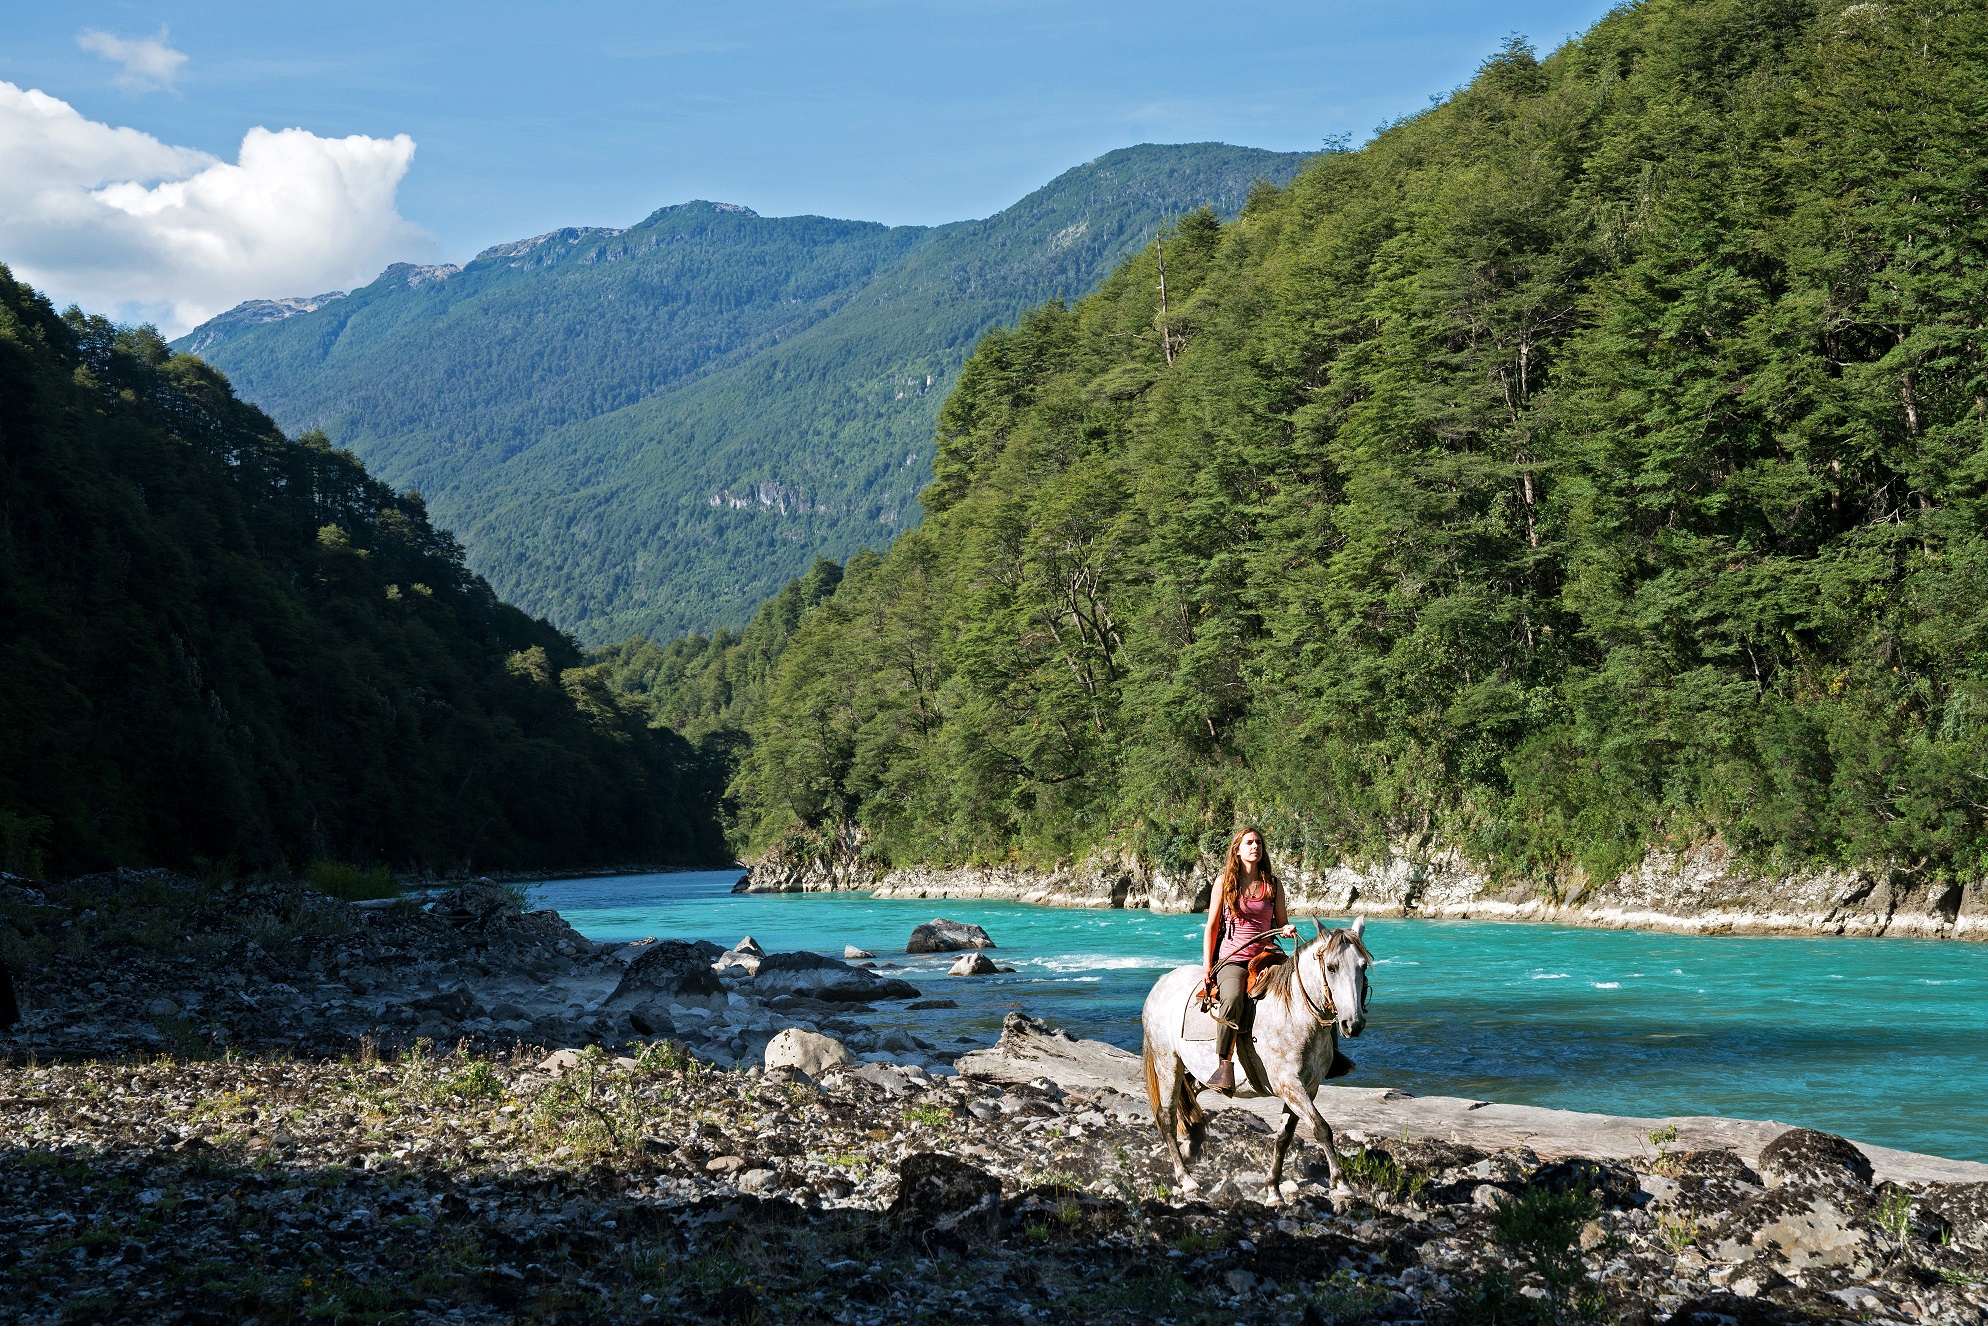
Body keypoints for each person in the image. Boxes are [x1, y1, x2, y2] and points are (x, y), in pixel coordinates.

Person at [1200, 826, 1297, 1092]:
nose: (1255, 847)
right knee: (1231, 997)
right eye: (1249, 843)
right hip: (1233, 958)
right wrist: (1208, 966)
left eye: (1258, 843)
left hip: (1267, 954)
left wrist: (1287, 929)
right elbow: (1211, 926)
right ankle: (1224, 1064)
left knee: (1307, 982)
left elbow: (1282, 922)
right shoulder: (1225, 882)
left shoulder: (1273, 884)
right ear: (1237, 849)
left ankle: (1330, 1054)